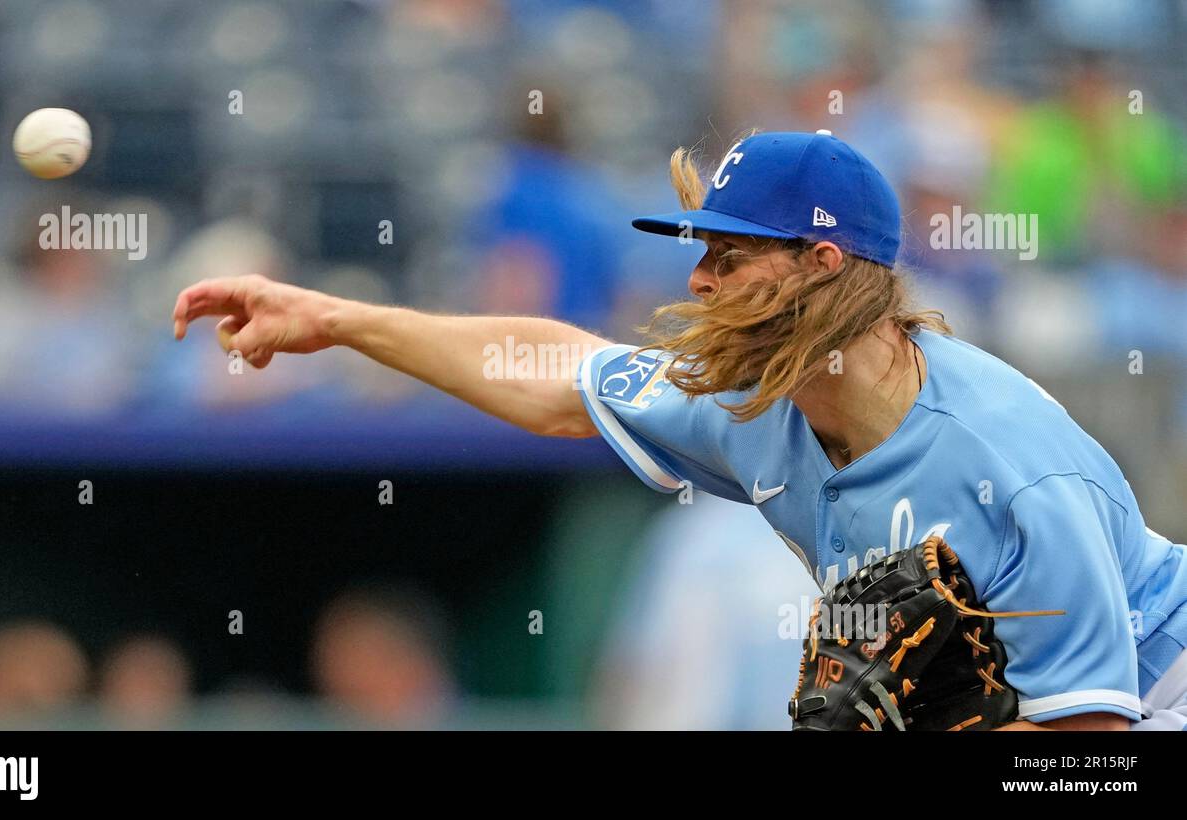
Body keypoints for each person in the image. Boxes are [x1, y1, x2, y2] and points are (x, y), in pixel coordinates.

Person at [172, 129, 1187, 730]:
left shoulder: (1012, 469)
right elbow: (556, 377)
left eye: (731, 254)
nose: (698, 279)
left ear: (823, 266)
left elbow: (1088, 749)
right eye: (701, 249)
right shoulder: (756, 399)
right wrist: (341, 321)